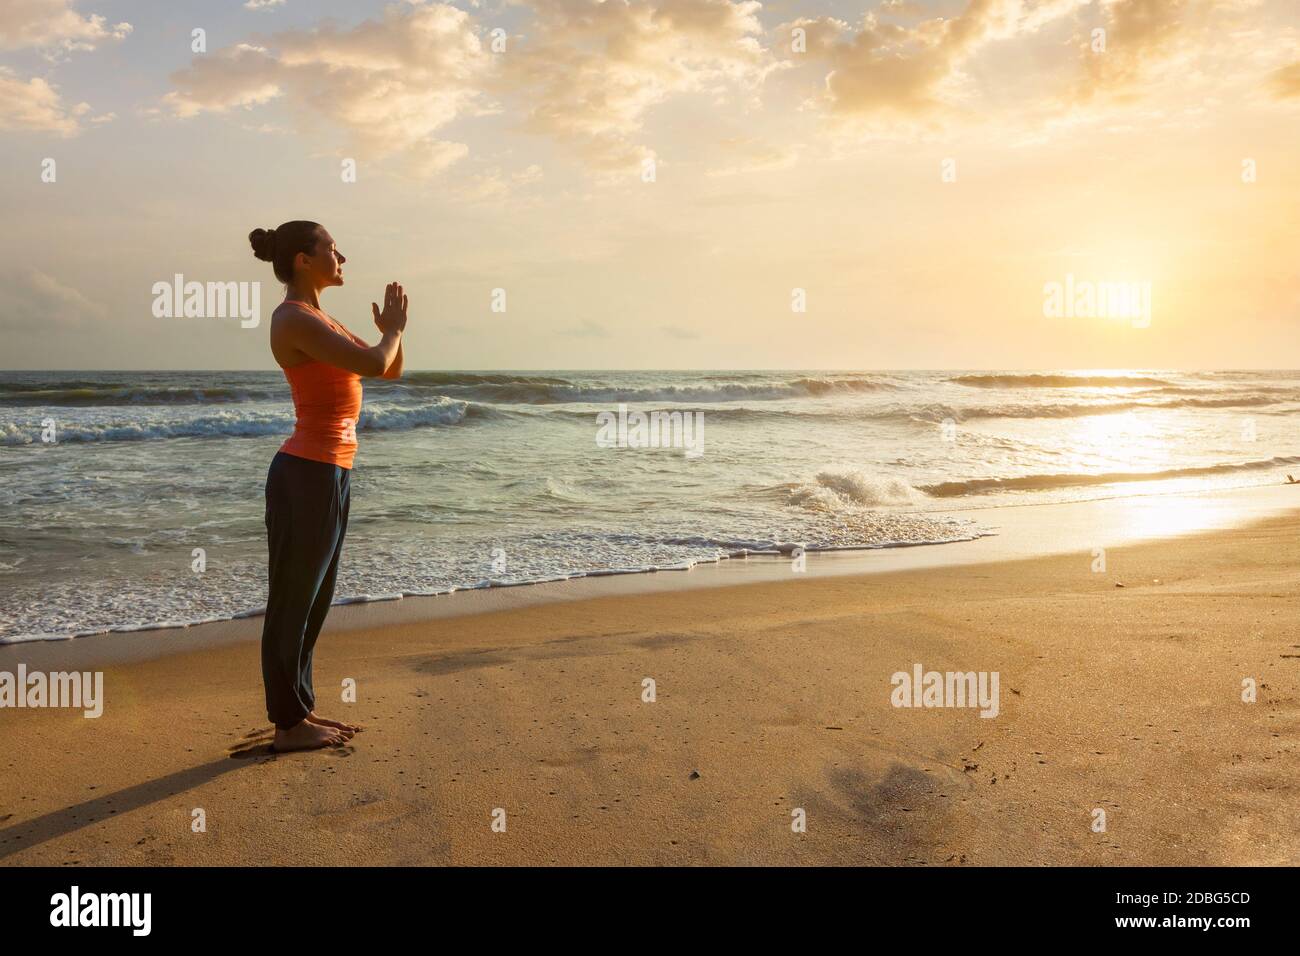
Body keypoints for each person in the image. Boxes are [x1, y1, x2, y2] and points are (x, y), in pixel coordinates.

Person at [248, 220, 407, 751]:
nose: (342, 256)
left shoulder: (321, 318)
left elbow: (388, 370)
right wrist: (392, 334)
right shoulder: (293, 319)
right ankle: (288, 723)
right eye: (332, 249)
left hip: (333, 470)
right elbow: (373, 359)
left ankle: (301, 711)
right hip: (305, 473)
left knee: (316, 598)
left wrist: (393, 331)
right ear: (302, 259)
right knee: (293, 599)